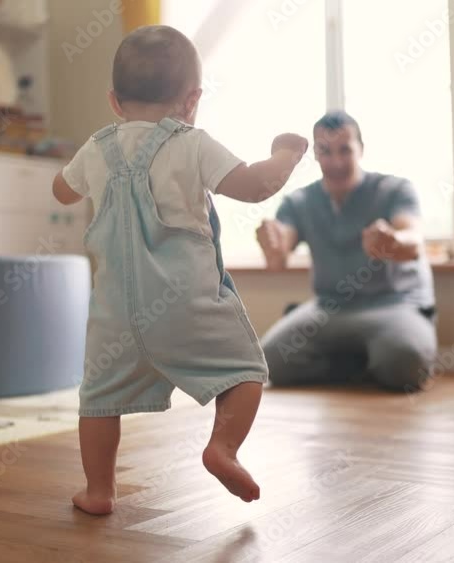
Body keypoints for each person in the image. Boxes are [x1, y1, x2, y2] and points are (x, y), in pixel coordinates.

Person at [51, 25, 309, 515]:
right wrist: (285, 154)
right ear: (191, 100)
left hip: (113, 317)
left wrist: (72, 181)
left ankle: (100, 491)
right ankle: (222, 447)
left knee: (99, 401)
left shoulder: (96, 147)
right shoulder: (192, 143)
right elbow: (255, 187)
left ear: (113, 100)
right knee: (246, 371)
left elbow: (62, 191)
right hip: (185, 305)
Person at [256, 111, 438, 392]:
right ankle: (362, 364)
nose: (336, 162)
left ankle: (363, 360)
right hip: (329, 308)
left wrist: (391, 241)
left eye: (345, 150)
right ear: (315, 154)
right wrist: (271, 244)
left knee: (404, 364)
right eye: (325, 151)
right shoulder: (299, 202)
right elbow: (278, 259)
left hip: (393, 305)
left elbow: (413, 242)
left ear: (361, 150)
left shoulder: (395, 190)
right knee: (272, 361)